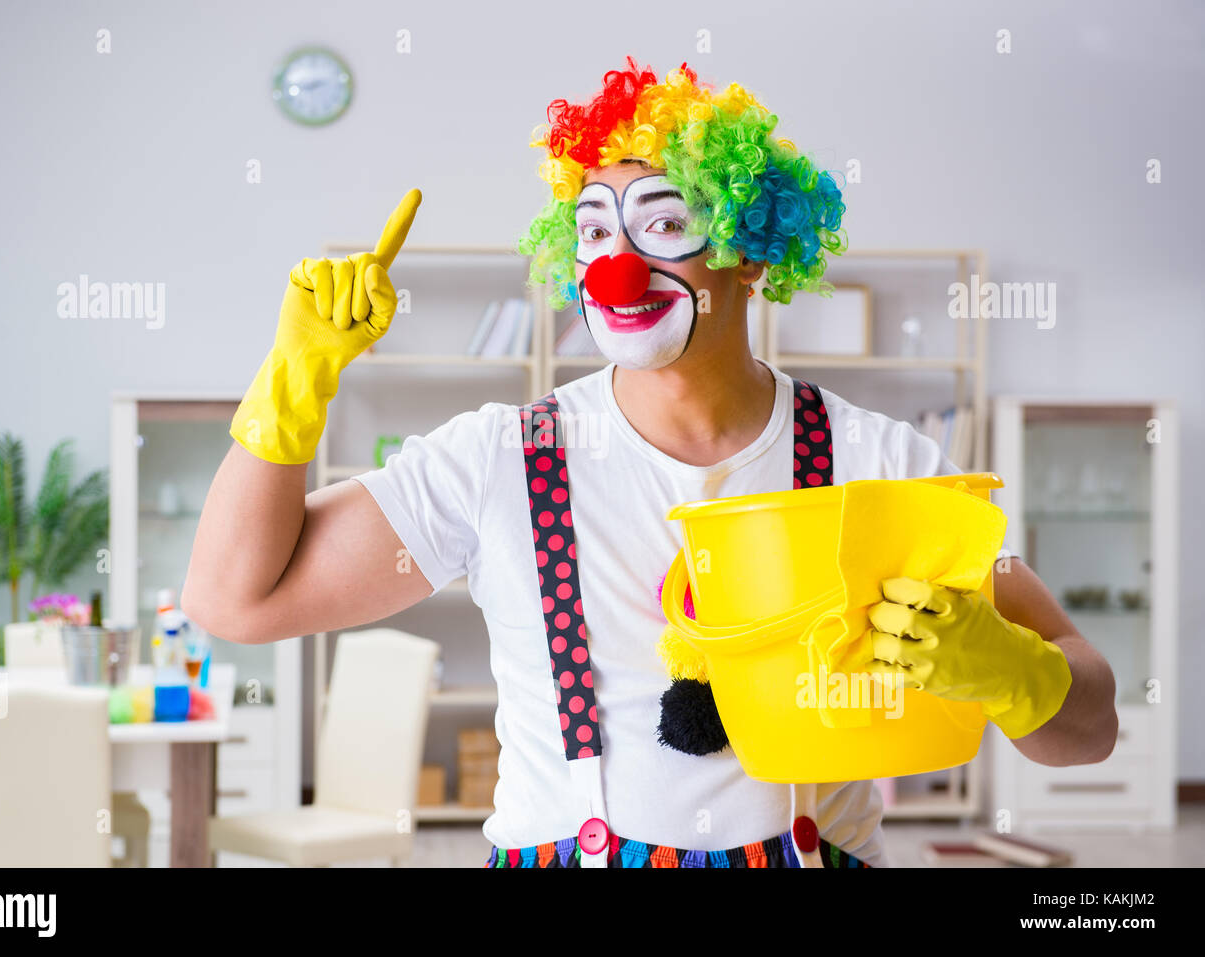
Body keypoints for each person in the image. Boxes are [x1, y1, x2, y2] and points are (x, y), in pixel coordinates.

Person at [183, 58, 1117, 868]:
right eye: (594, 232)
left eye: (664, 227)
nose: (616, 267)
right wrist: (292, 381)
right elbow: (237, 601)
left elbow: (1090, 727)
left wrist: (1011, 669)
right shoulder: (499, 457)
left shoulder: (882, 461)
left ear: (752, 253)